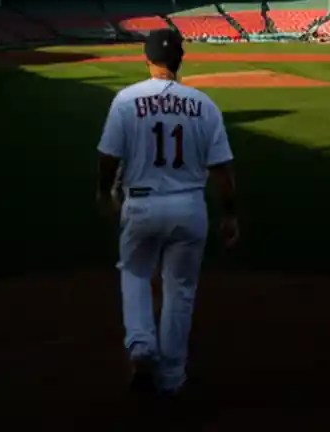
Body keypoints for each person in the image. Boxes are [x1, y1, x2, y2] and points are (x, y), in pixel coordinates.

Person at [96, 28, 240, 399]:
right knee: (180, 291)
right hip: (190, 207)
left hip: (141, 204)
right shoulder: (204, 104)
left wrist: (103, 192)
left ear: (146, 59)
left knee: (135, 273)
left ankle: (141, 345)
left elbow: (108, 156)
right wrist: (230, 215)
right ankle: (172, 377)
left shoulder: (126, 100)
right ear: (181, 60)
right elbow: (222, 169)